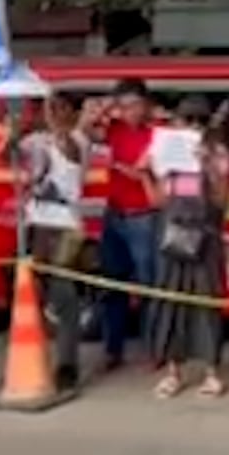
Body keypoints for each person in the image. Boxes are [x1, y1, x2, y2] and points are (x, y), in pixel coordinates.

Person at [145, 97, 229, 400]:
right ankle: (173, 371)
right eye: (186, 120)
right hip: (172, 235)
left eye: (199, 121)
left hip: (205, 238)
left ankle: (212, 371)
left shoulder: (218, 154)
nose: (192, 126)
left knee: (206, 303)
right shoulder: (166, 156)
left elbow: (222, 201)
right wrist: (146, 172)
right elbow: (158, 201)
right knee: (171, 302)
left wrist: (208, 166)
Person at [24, 93, 90, 392]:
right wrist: (13, 135)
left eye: (61, 107)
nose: (53, 113)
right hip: (37, 225)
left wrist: (55, 127)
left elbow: (69, 150)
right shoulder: (37, 140)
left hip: (65, 228)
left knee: (65, 299)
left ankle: (67, 365)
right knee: (31, 297)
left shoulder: (78, 140)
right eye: (50, 107)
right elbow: (10, 153)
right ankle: (32, 360)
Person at [99, 78, 161, 372]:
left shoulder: (158, 135)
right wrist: (110, 107)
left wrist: (138, 174)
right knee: (112, 284)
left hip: (144, 217)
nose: (129, 111)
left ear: (146, 105)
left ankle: (154, 350)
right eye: (123, 106)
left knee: (149, 285)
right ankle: (113, 350)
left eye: (134, 104)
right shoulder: (112, 130)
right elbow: (89, 119)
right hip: (114, 215)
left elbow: (158, 175)